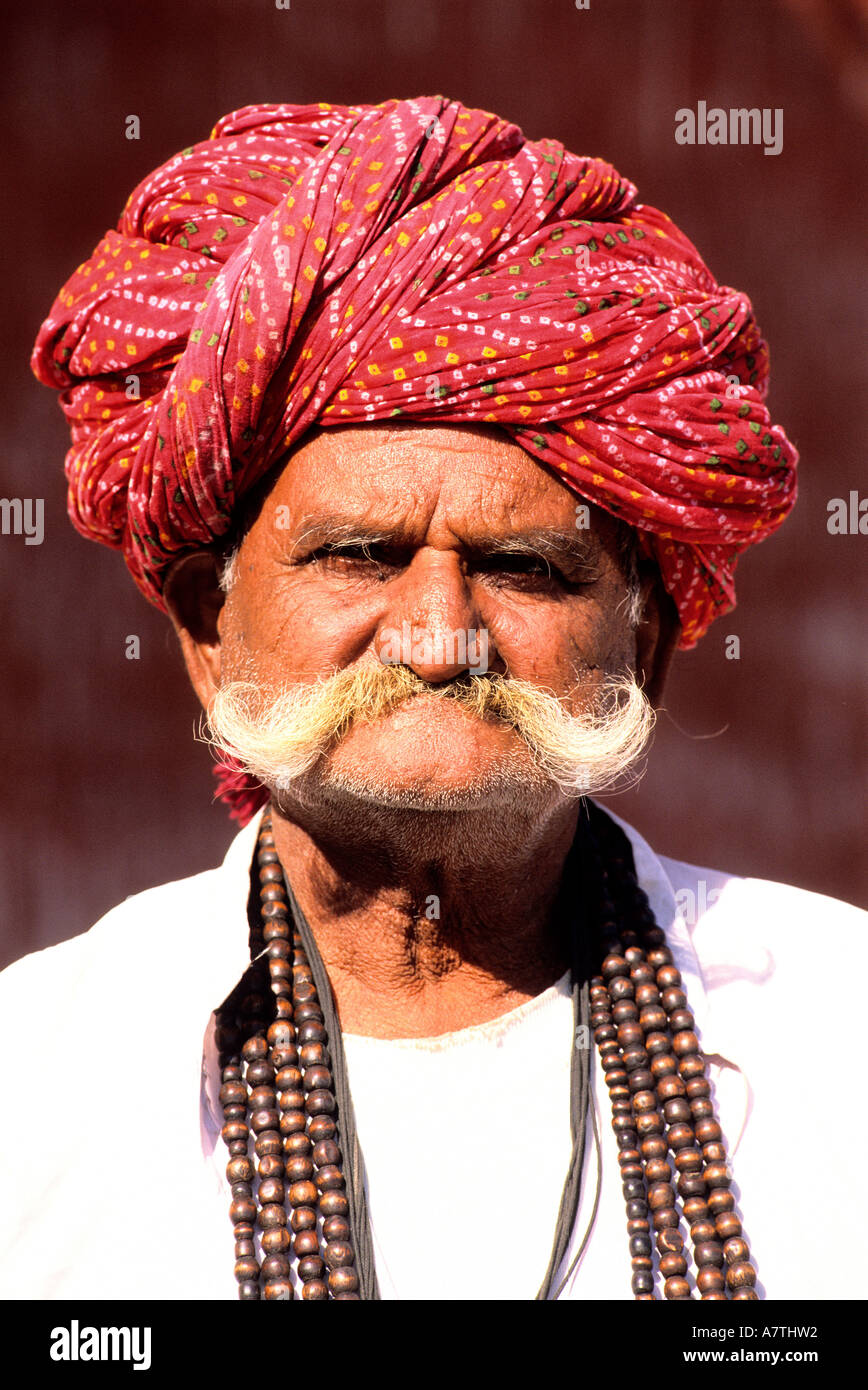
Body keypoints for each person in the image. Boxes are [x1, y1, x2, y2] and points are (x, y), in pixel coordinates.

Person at [1, 96, 863, 1303]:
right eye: (358, 555)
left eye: (521, 569)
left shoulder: (841, 1036)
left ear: (646, 647)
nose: (437, 637)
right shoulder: (33, 1090)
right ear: (207, 628)